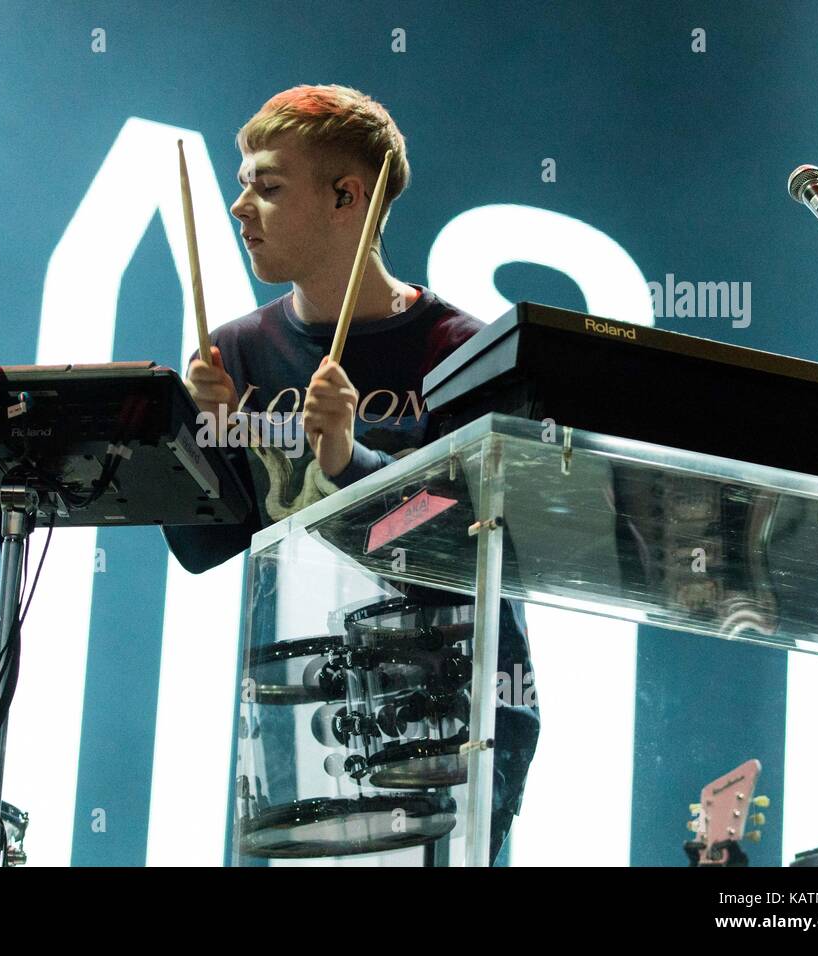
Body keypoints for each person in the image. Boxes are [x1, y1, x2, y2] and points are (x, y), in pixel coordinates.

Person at [163, 84, 538, 865]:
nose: (240, 209)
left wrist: (347, 460)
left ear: (348, 196)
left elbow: (472, 548)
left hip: (450, 717)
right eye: (241, 186)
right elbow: (202, 550)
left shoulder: (466, 352)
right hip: (303, 708)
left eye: (266, 187)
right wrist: (202, 442)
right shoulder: (234, 351)